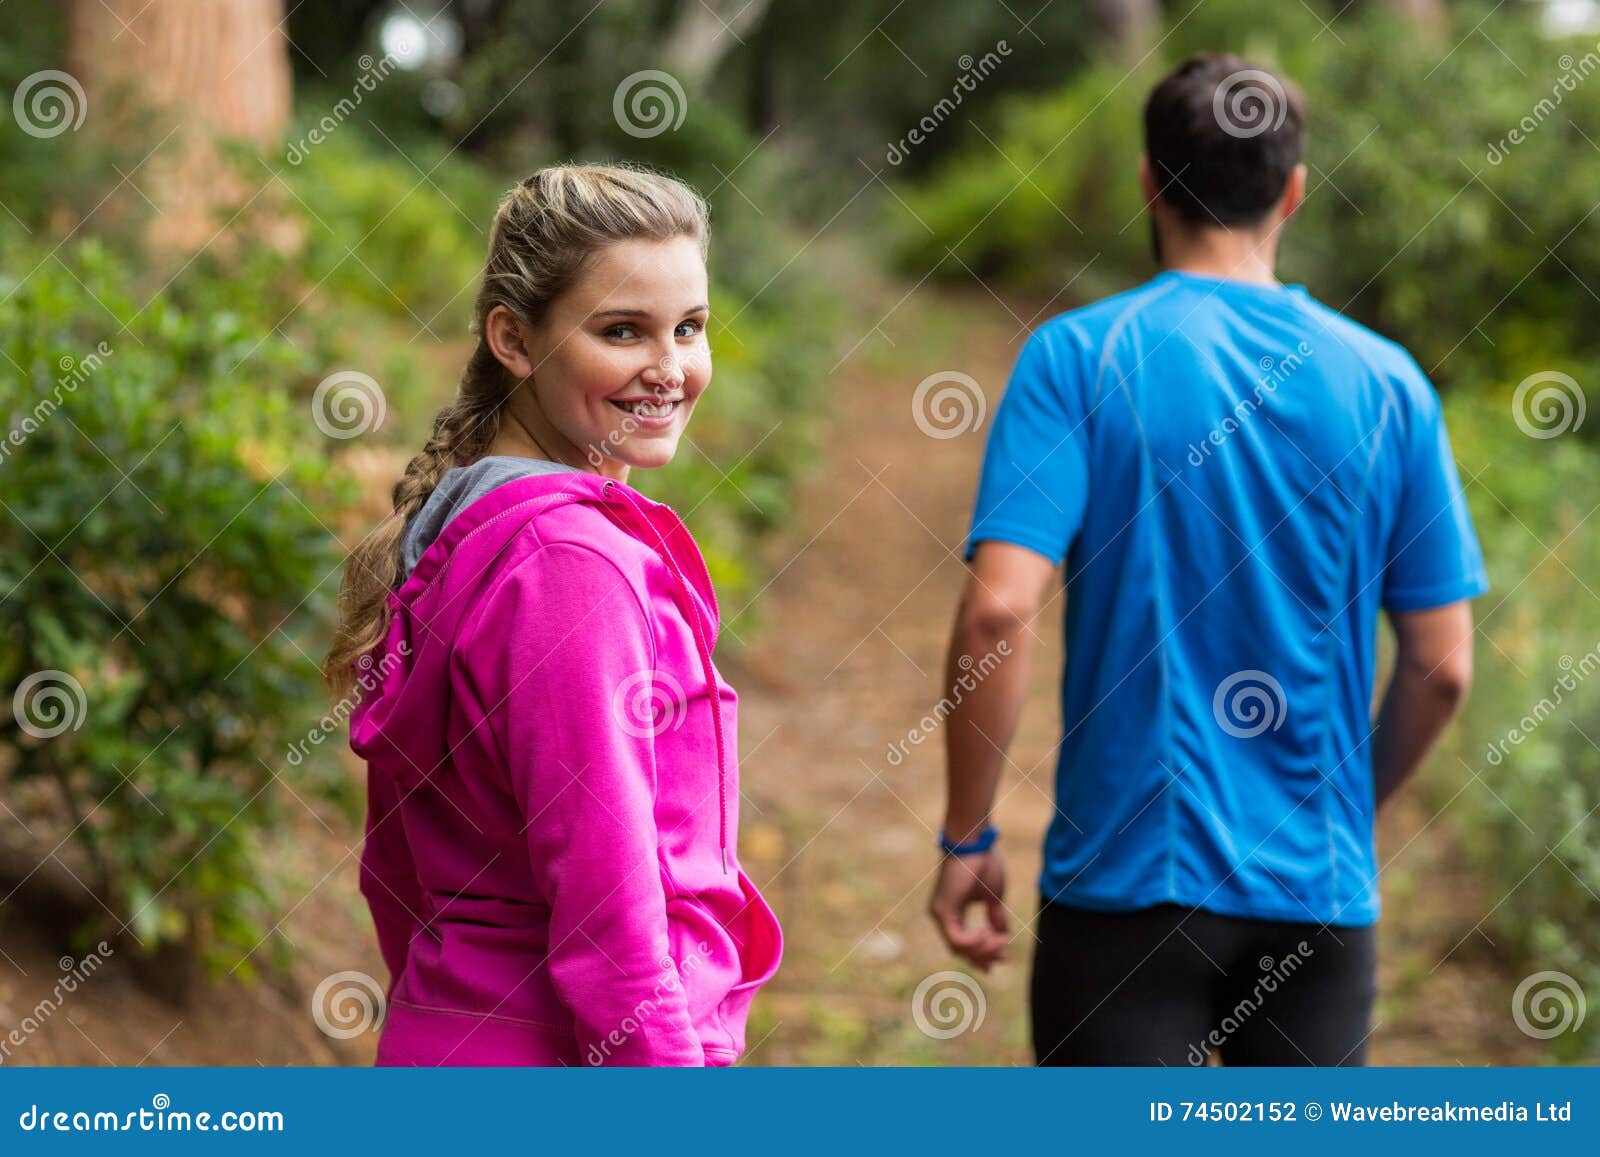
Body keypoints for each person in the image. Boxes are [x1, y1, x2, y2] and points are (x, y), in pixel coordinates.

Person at [929, 54, 1487, 1066]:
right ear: (1293, 189)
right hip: (1316, 898)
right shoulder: (1389, 383)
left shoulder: (1077, 356)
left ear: (1149, 181)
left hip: (1124, 887)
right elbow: (1442, 665)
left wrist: (966, 834)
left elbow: (998, 612)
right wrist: (1343, 806)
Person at [326, 164, 782, 1066]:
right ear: (515, 338)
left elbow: (398, 876)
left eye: (689, 328)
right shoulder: (570, 566)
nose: (670, 369)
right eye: (622, 331)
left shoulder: (465, 527)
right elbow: (614, 910)